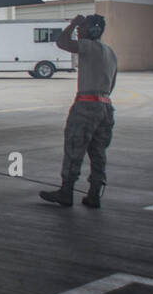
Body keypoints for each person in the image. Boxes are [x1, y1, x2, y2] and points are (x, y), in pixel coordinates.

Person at [39, 14, 117, 208]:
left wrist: (72, 23)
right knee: (98, 153)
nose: (78, 31)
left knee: (74, 149)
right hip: (105, 105)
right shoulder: (110, 52)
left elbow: (61, 42)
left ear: (92, 31)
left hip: (86, 104)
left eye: (81, 28)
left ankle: (66, 192)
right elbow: (112, 83)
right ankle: (94, 194)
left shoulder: (87, 46)